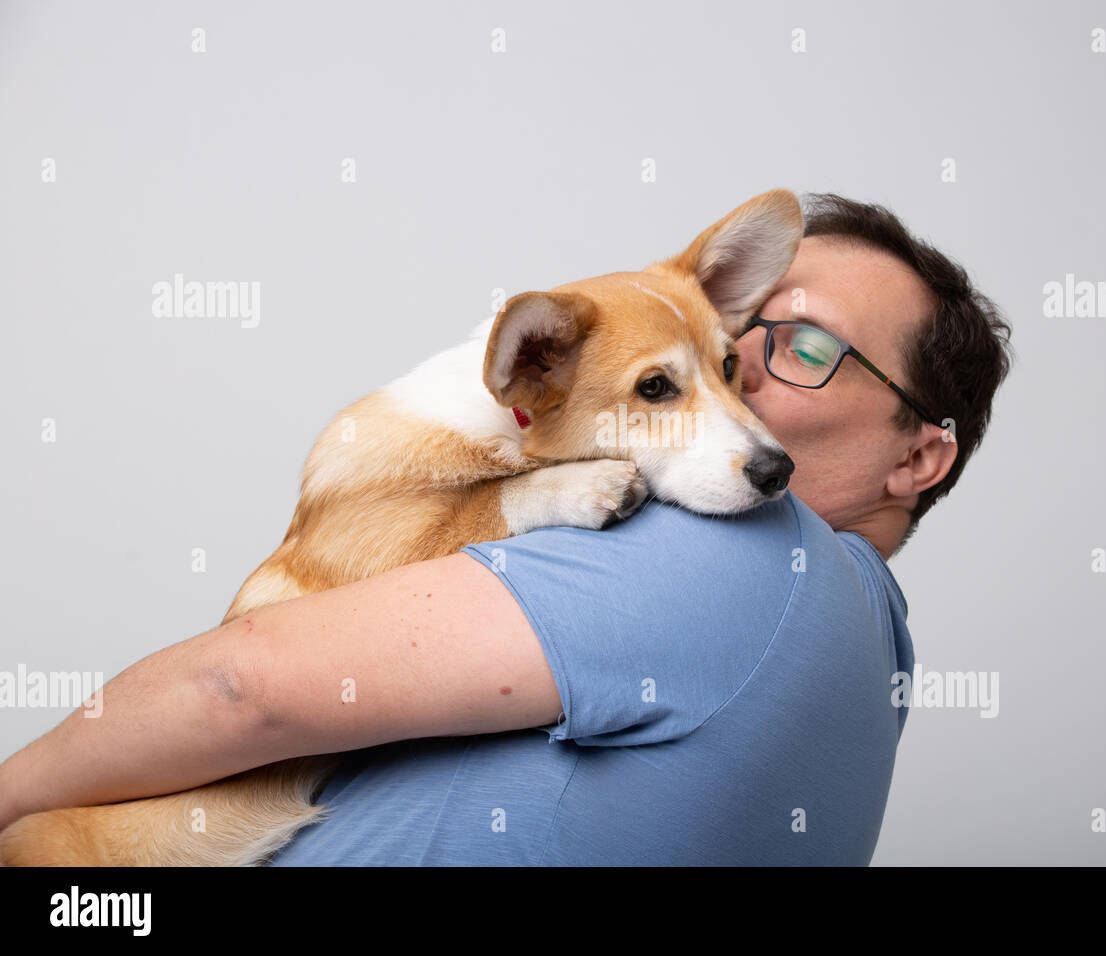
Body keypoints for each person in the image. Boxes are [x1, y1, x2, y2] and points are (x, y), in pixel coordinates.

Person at [0, 193, 1013, 865]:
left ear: (919, 456)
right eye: (735, 338)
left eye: (803, 344)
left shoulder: (752, 556)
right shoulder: (866, 656)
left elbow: (241, 683)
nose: (739, 373)